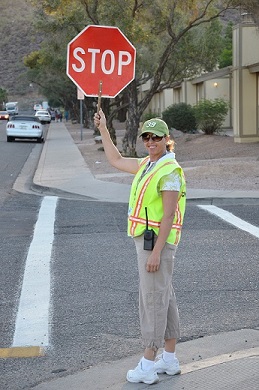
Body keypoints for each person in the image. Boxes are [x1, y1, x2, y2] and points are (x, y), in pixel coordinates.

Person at [94, 110, 186, 385]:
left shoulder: (169, 171)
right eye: (146, 137)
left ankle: (148, 363)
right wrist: (104, 129)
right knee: (164, 298)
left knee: (152, 301)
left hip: (156, 244)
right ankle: (168, 361)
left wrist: (157, 252)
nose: (150, 141)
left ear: (167, 139)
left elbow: (168, 216)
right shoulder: (149, 164)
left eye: (156, 137)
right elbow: (116, 159)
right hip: (148, 241)